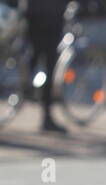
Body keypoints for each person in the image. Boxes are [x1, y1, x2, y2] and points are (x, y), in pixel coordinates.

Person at [24, 0, 70, 133]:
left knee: (35, 54)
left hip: (32, 10)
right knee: (49, 65)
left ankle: (26, 87)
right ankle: (47, 116)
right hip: (50, 14)